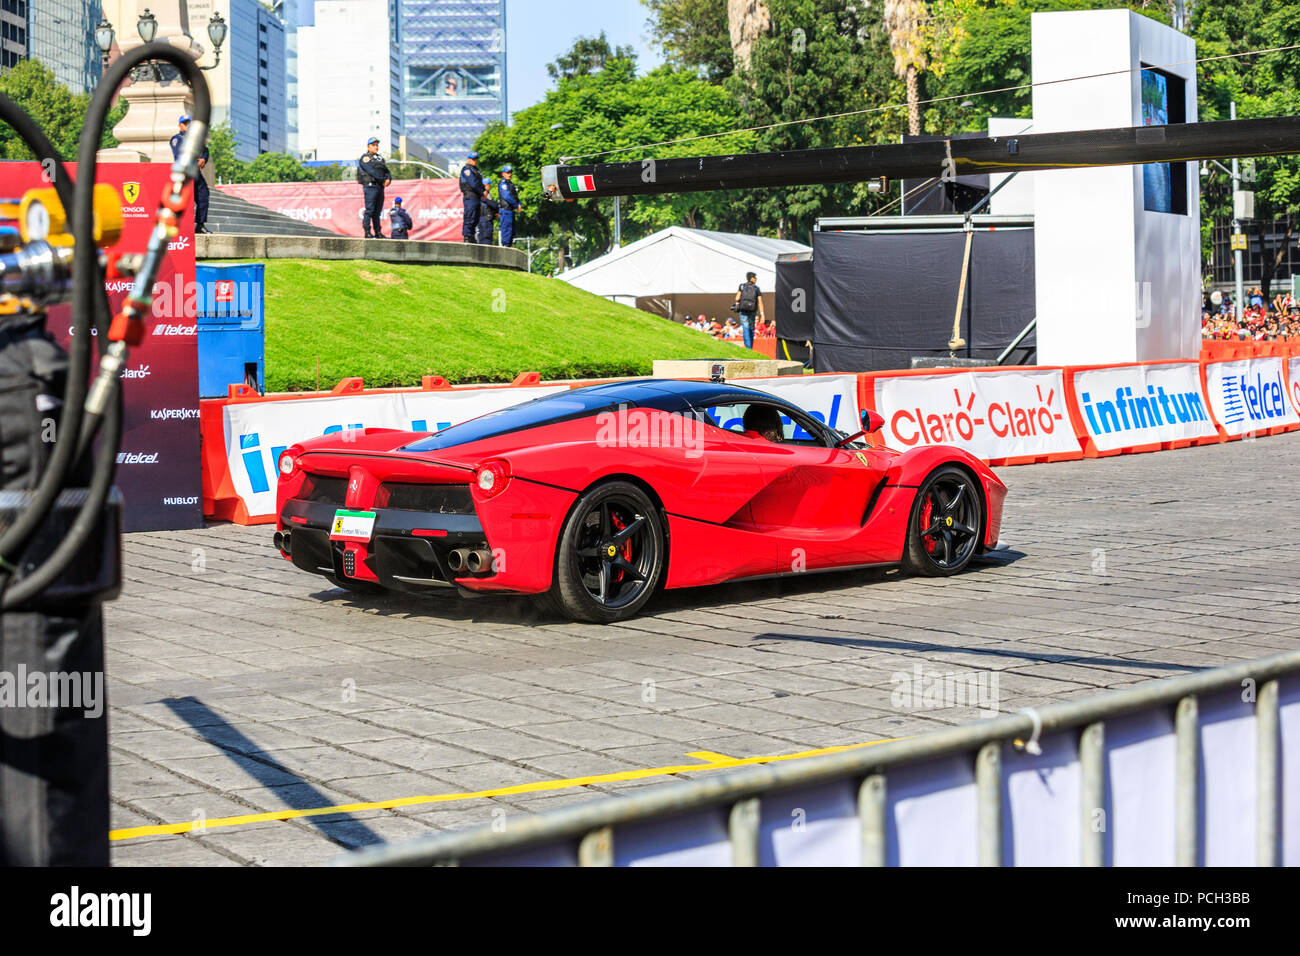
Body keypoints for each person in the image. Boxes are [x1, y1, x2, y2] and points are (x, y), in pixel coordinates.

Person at [170, 115, 210, 234]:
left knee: (203, 196)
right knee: (184, 200)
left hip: (196, 173)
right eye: (185, 123)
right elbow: (179, 156)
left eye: (189, 123)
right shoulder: (177, 139)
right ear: (180, 125)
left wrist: (203, 159)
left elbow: (205, 150)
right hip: (184, 173)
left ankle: (200, 224)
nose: (188, 126)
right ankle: (180, 226)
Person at [357, 136, 391, 238]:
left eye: (377, 145)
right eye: (373, 145)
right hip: (370, 187)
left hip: (380, 187)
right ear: (368, 146)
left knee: (377, 212)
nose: (376, 147)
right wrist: (382, 180)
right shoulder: (365, 158)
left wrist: (389, 179)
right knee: (370, 210)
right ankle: (367, 232)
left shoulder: (380, 158)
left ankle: (378, 232)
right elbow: (372, 172)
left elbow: (386, 170)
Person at [732, 271, 765, 349]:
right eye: (755, 277)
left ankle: (748, 348)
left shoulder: (742, 286)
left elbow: (737, 298)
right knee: (751, 329)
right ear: (752, 278)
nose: (756, 279)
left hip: (743, 311)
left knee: (745, 328)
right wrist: (762, 314)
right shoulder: (757, 288)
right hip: (752, 311)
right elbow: (760, 302)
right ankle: (751, 347)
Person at [459, 151, 483, 243]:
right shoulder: (467, 169)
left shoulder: (476, 170)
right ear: (468, 159)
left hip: (476, 197)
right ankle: (467, 237)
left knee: (475, 217)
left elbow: (480, 183)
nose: (475, 161)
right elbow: (473, 184)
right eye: (473, 159)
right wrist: (482, 192)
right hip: (470, 196)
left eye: (476, 159)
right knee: (470, 216)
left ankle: (471, 235)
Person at [497, 165, 522, 247]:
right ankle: (506, 246)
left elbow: (515, 196)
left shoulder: (510, 184)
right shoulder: (503, 184)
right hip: (505, 210)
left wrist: (519, 204)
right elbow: (506, 196)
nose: (509, 174)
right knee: (507, 230)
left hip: (510, 211)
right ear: (503, 174)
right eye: (507, 173)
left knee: (511, 231)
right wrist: (516, 205)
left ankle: (509, 245)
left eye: (510, 172)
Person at [477, 178, 499, 244]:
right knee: (486, 238)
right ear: (485, 185)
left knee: (483, 237)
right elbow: (493, 205)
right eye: (489, 185)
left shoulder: (479, 194)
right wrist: (496, 207)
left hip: (483, 219)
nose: (490, 186)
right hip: (486, 219)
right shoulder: (485, 194)